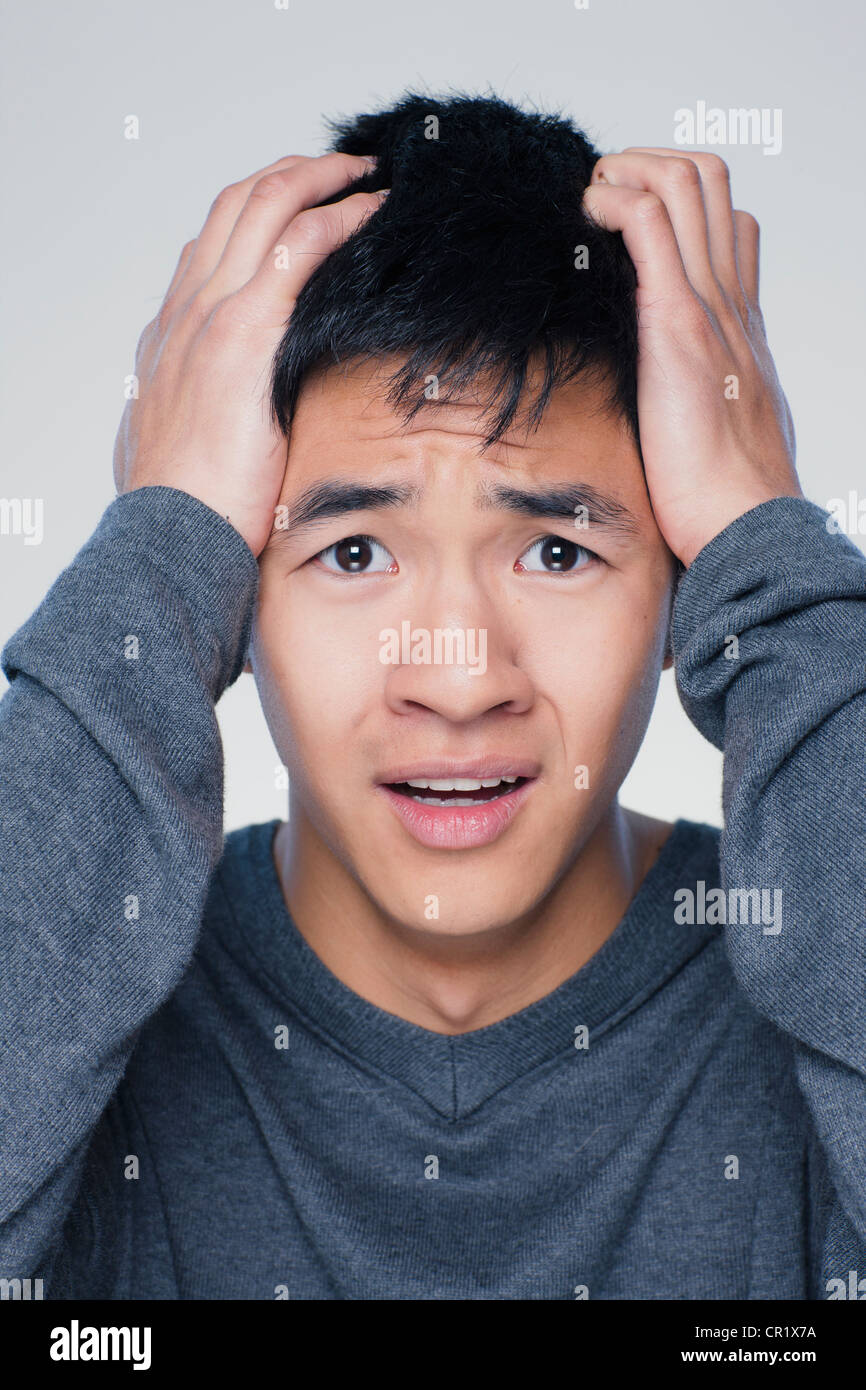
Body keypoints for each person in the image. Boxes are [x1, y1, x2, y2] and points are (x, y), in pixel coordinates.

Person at [1, 91, 864, 1301]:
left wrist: (764, 550)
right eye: (351, 553)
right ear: (229, 595)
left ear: (682, 584)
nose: (459, 681)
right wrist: (160, 543)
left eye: (555, 552)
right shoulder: (87, 1015)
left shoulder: (815, 974)